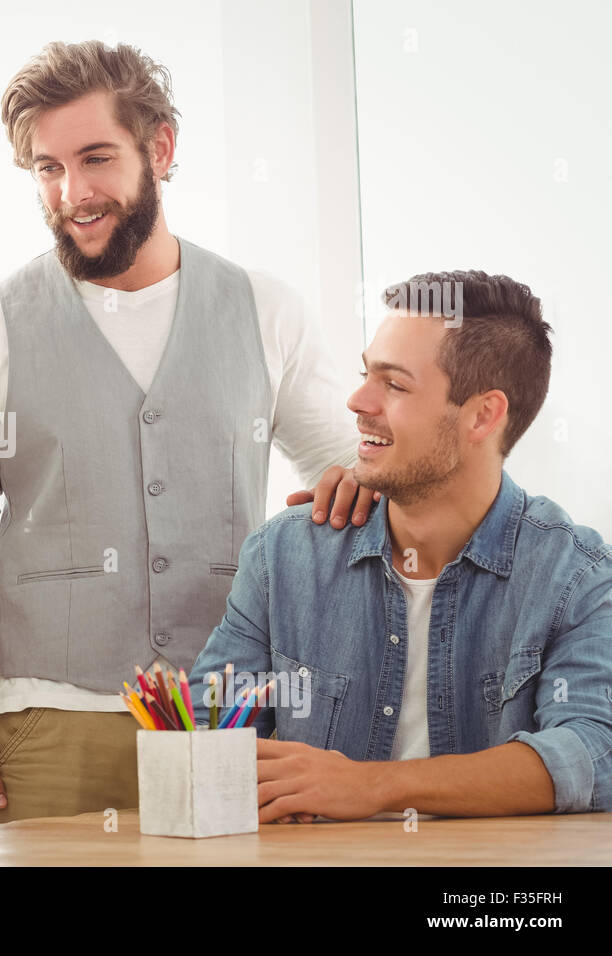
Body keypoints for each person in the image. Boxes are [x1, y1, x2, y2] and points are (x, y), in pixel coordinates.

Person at [0, 39, 376, 827]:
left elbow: (354, 470)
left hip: (227, 723)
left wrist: (350, 486)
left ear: (159, 148)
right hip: (50, 722)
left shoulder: (265, 310)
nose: (72, 193)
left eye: (95, 159)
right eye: (48, 170)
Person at [192, 271, 612, 820]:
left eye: (394, 384)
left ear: (483, 415)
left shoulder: (573, 576)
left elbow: (592, 753)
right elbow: (207, 733)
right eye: (367, 373)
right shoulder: (283, 557)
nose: (357, 399)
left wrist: (372, 786)